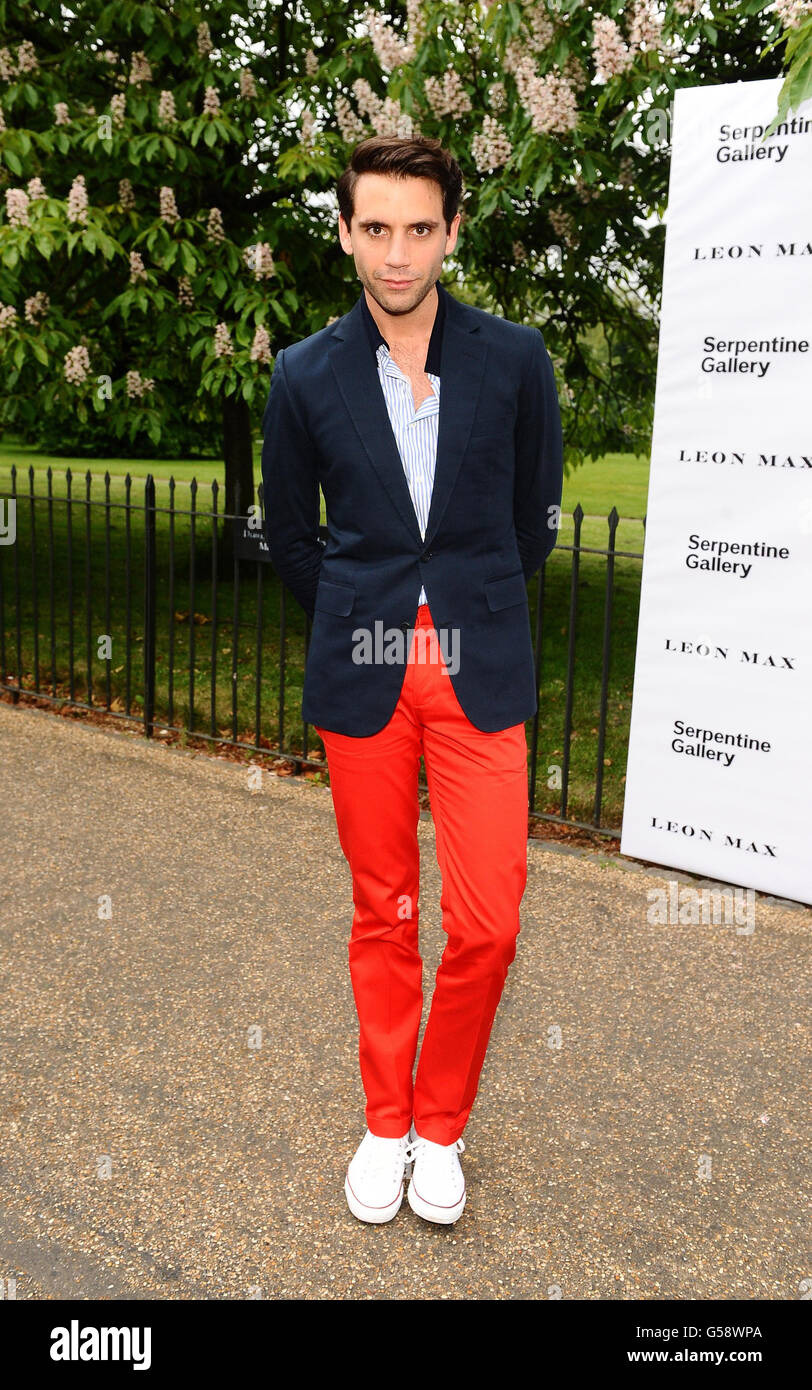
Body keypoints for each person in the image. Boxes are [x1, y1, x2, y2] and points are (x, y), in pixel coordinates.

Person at [261, 135, 563, 1226]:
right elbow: (291, 538)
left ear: (451, 231)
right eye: (374, 228)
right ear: (344, 230)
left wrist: (460, 606)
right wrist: (361, 616)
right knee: (383, 909)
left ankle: (444, 1125)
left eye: (418, 228)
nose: (396, 254)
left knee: (485, 923)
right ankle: (387, 1121)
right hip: (364, 672)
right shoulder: (302, 374)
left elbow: (533, 519)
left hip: (477, 665)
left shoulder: (515, 357)